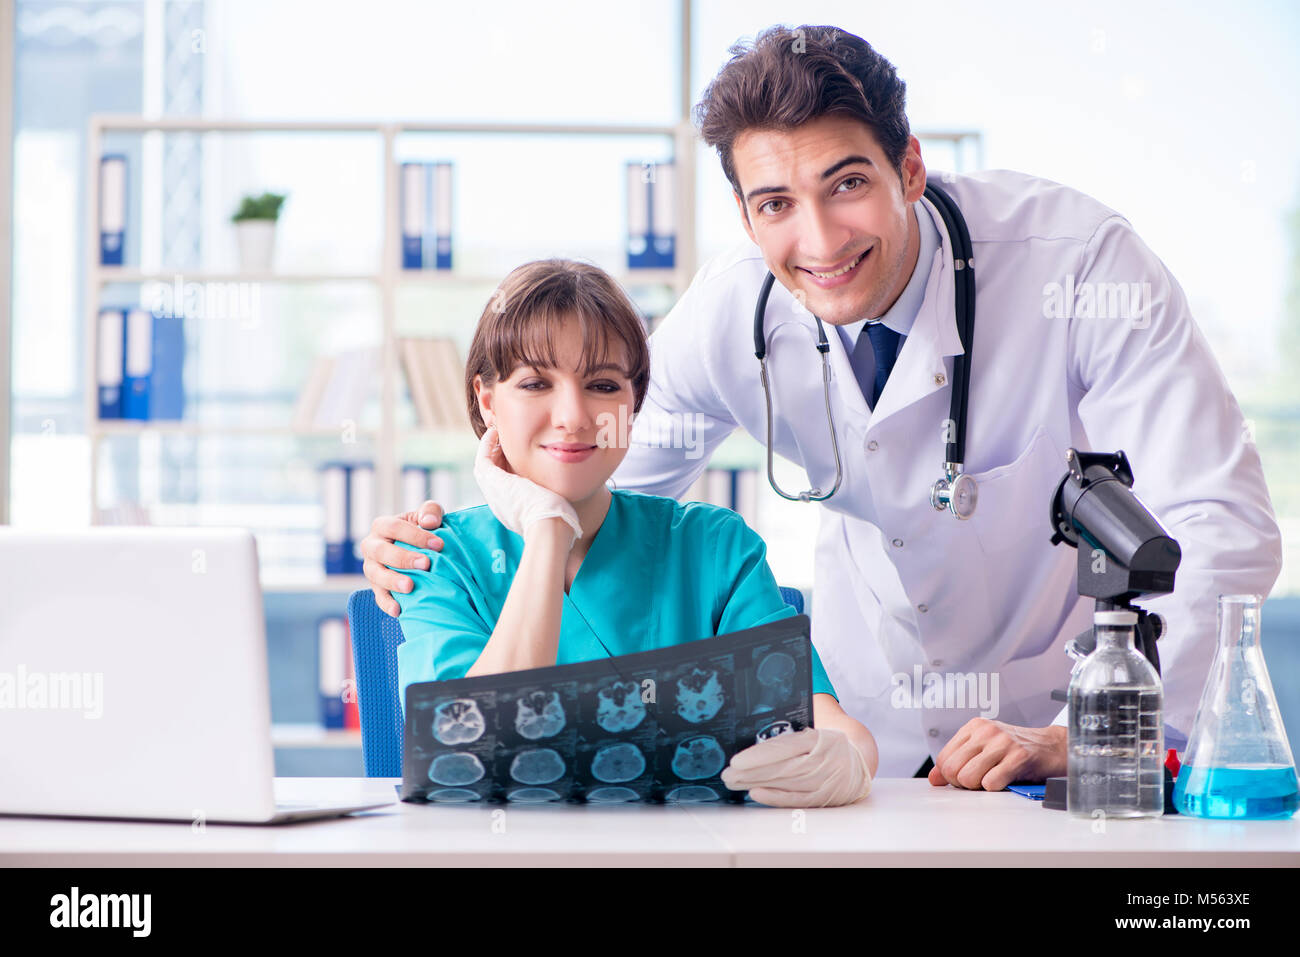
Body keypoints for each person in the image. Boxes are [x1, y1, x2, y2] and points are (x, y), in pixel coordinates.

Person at [365, 26, 1281, 789]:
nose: (818, 239)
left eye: (847, 183)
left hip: (1050, 730)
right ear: (744, 212)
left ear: (909, 167)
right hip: (856, 756)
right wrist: (436, 541)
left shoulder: (1078, 266)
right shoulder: (735, 311)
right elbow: (582, 481)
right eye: (775, 203)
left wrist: (1101, 734)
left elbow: (1218, 523)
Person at [392, 258, 878, 807]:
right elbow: (473, 756)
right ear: (487, 401)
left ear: (634, 402)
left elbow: (834, 727)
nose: (573, 416)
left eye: (602, 385)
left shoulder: (714, 547)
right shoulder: (438, 556)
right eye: (534, 383)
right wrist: (547, 531)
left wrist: (849, 762)